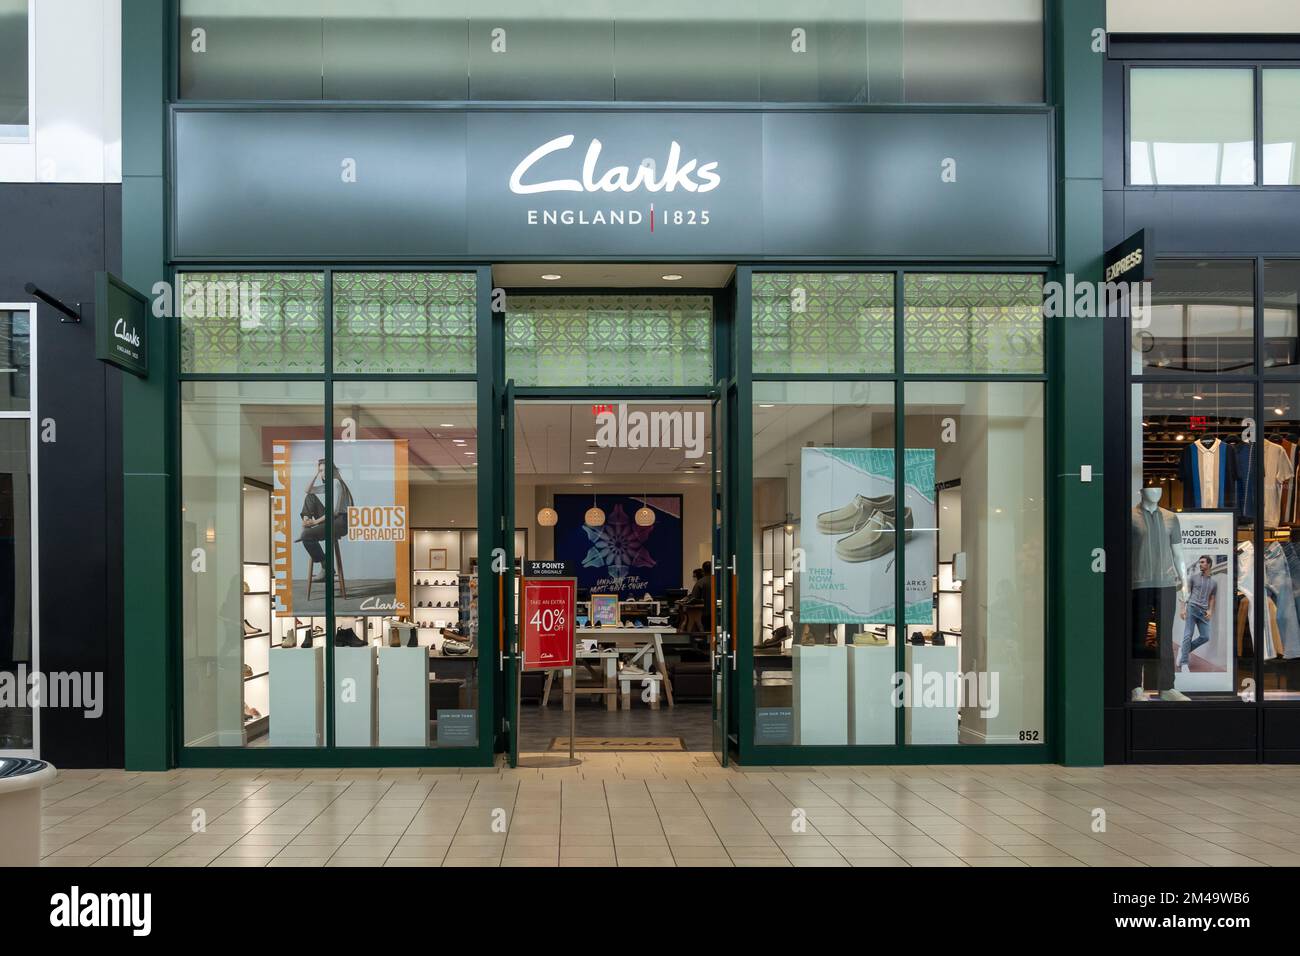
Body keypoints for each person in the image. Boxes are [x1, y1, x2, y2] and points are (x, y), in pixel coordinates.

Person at [298, 459, 353, 580]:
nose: (323, 473)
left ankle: (326, 568)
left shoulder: (336, 483)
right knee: (310, 497)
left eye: (324, 470)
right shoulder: (330, 484)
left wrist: (315, 522)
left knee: (306, 536)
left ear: (332, 470)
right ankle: (305, 526)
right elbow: (308, 490)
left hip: (341, 522)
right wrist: (315, 474)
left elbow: (333, 512)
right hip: (334, 519)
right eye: (321, 471)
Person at [1178, 554, 1217, 670]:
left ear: (1209, 564)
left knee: (1205, 636)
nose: (1200, 564)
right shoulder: (1193, 578)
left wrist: (1210, 610)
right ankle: (1184, 663)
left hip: (1203, 612)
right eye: (1200, 562)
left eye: (1203, 562)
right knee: (1188, 635)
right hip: (1192, 608)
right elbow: (1185, 592)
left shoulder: (1214, 583)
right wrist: (1182, 608)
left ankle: (1184, 650)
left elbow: (1212, 598)